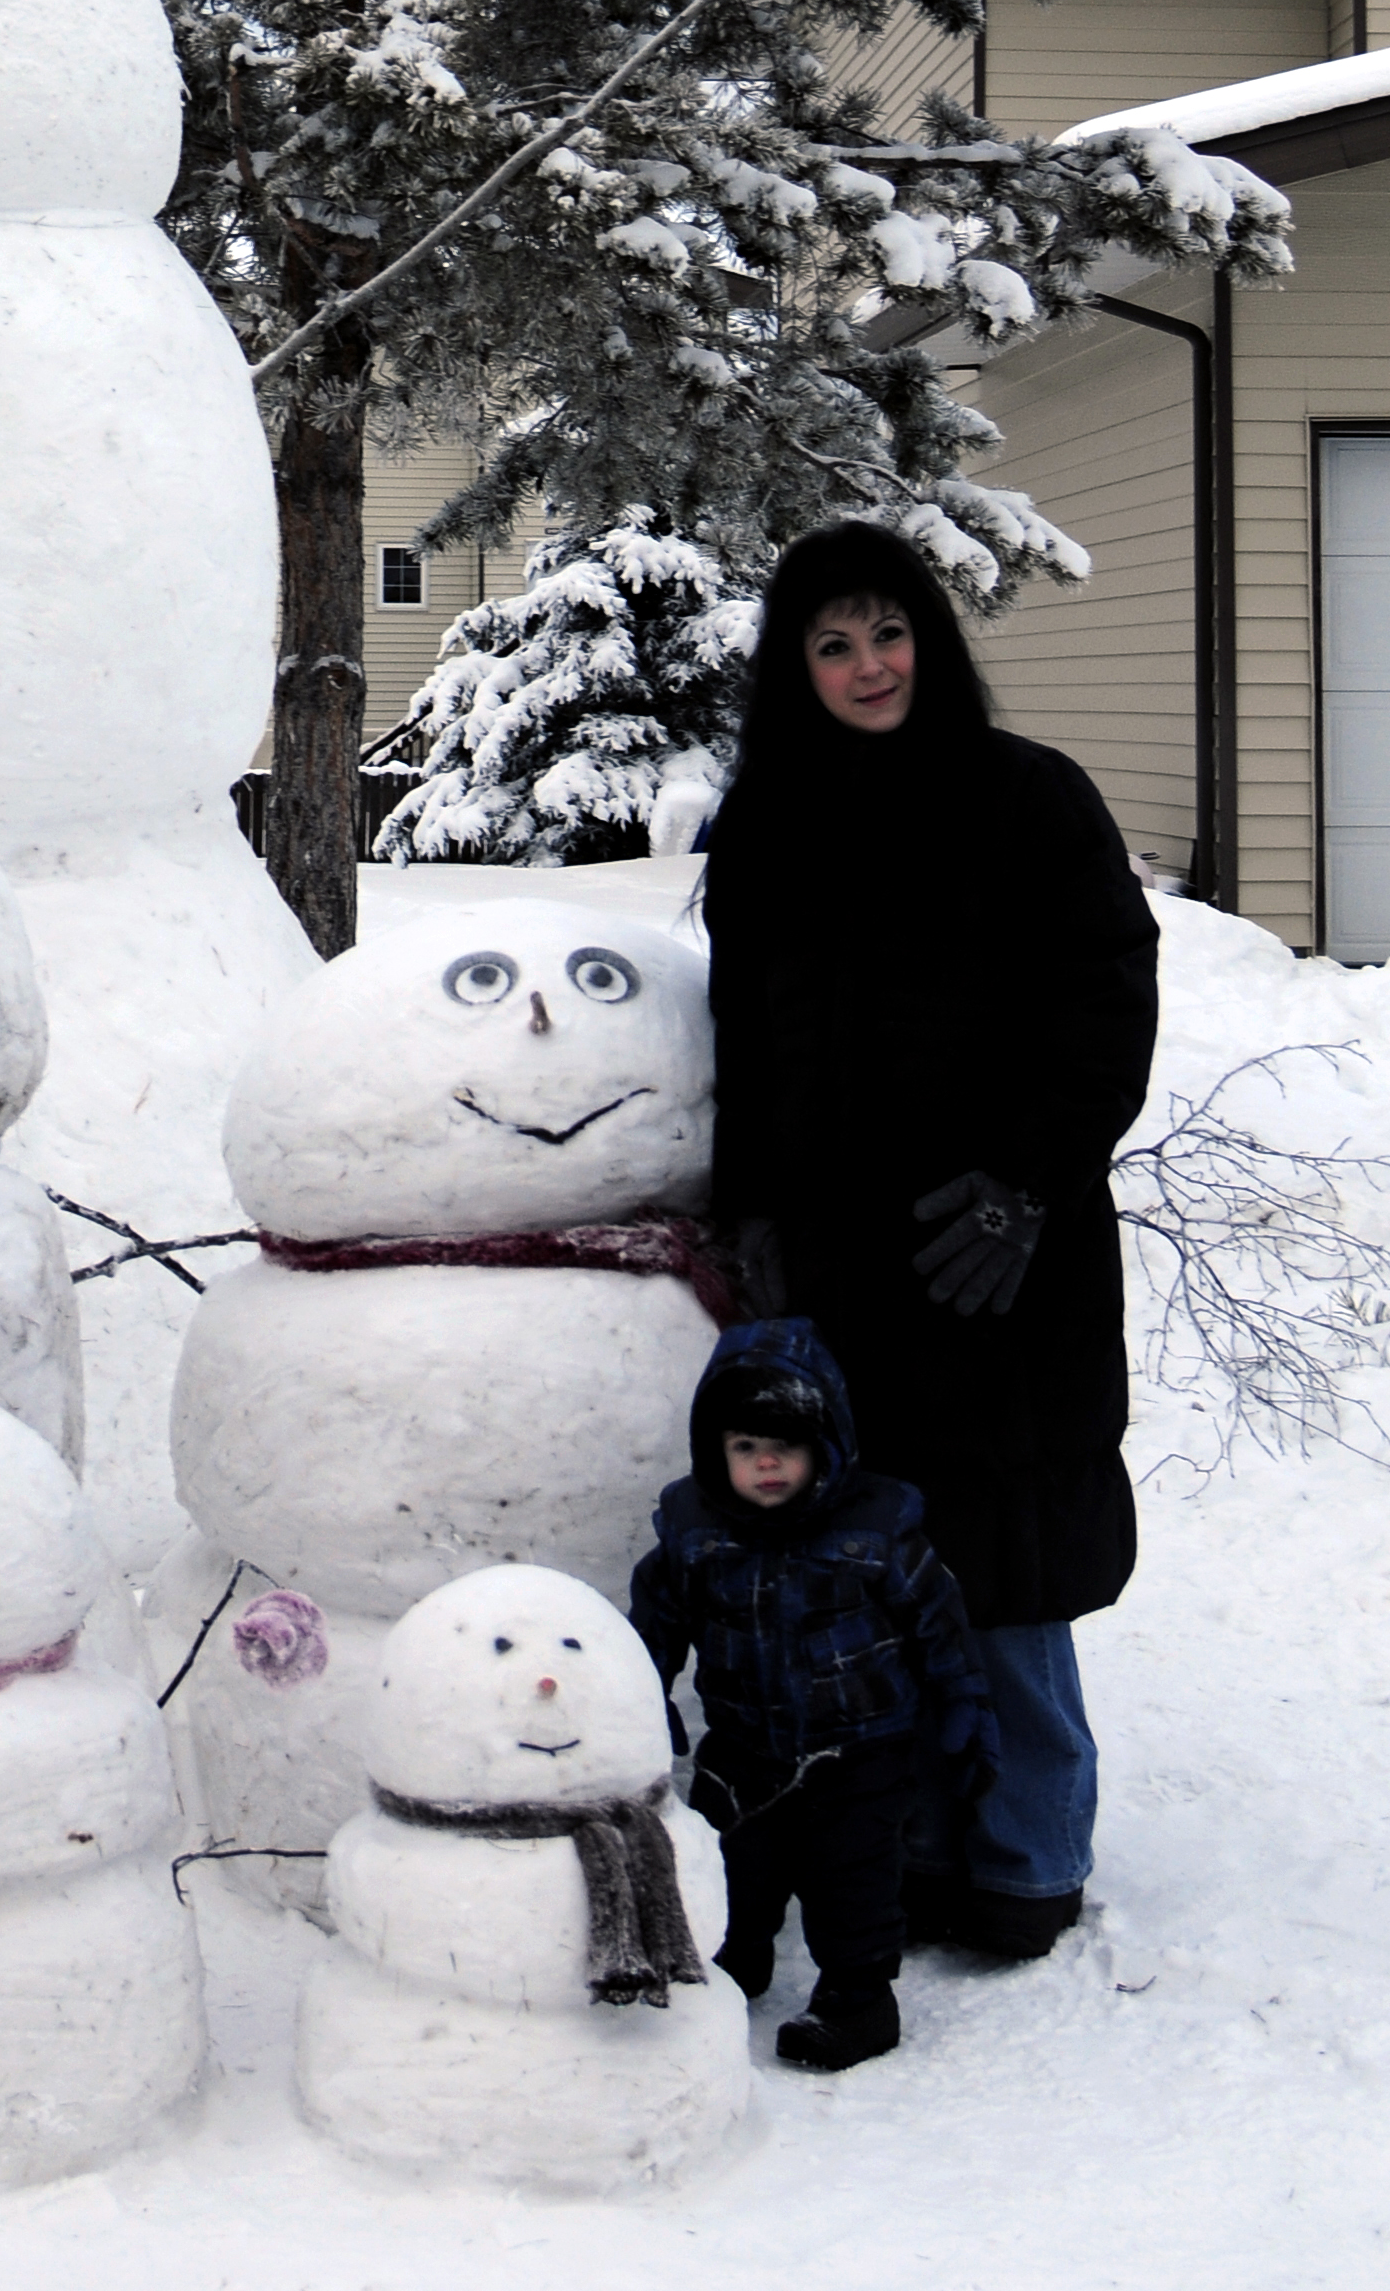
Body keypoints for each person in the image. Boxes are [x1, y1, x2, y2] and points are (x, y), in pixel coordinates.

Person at [700, 520, 1159, 1961]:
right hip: (841, 1264)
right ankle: (913, 1840)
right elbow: (743, 1043)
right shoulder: (768, 823)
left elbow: (1106, 1001)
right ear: (795, 667)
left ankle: (1026, 1851)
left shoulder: (1029, 800)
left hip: (999, 1260)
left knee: (1007, 1563)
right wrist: (750, 1218)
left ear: (931, 640)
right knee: (873, 1560)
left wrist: (1025, 1182)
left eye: (887, 632)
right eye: (832, 644)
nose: (867, 665)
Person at [630, 1319, 997, 2072]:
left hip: (861, 1749)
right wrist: (643, 1696)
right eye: (744, 1448)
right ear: (713, 1450)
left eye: (786, 1447)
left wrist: (966, 1708)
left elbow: (941, 1625)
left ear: (824, 1445)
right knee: (733, 1865)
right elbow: (652, 1626)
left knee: (852, 1882)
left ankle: (858, 2003)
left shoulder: (878, 1529)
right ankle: (735, 1959)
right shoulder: (693, 1535)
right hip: (742, 1744)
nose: (766, 1464)